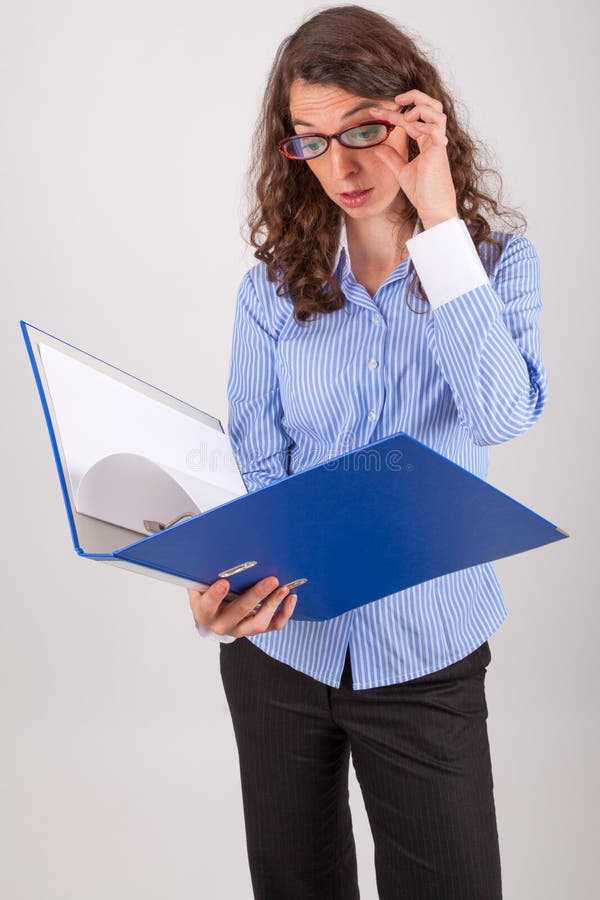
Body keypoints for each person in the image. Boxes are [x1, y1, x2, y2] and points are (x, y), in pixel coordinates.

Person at [188, 6, 547, 898]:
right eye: (311, 141)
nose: (340, 168)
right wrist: (224, 587)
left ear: (418, 122)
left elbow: (503, 414)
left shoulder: (497, 265)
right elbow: (257, 465)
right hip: (282, 653)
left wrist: (438, 221)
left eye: (364, 131)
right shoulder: (272, 290)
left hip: (425, 650)